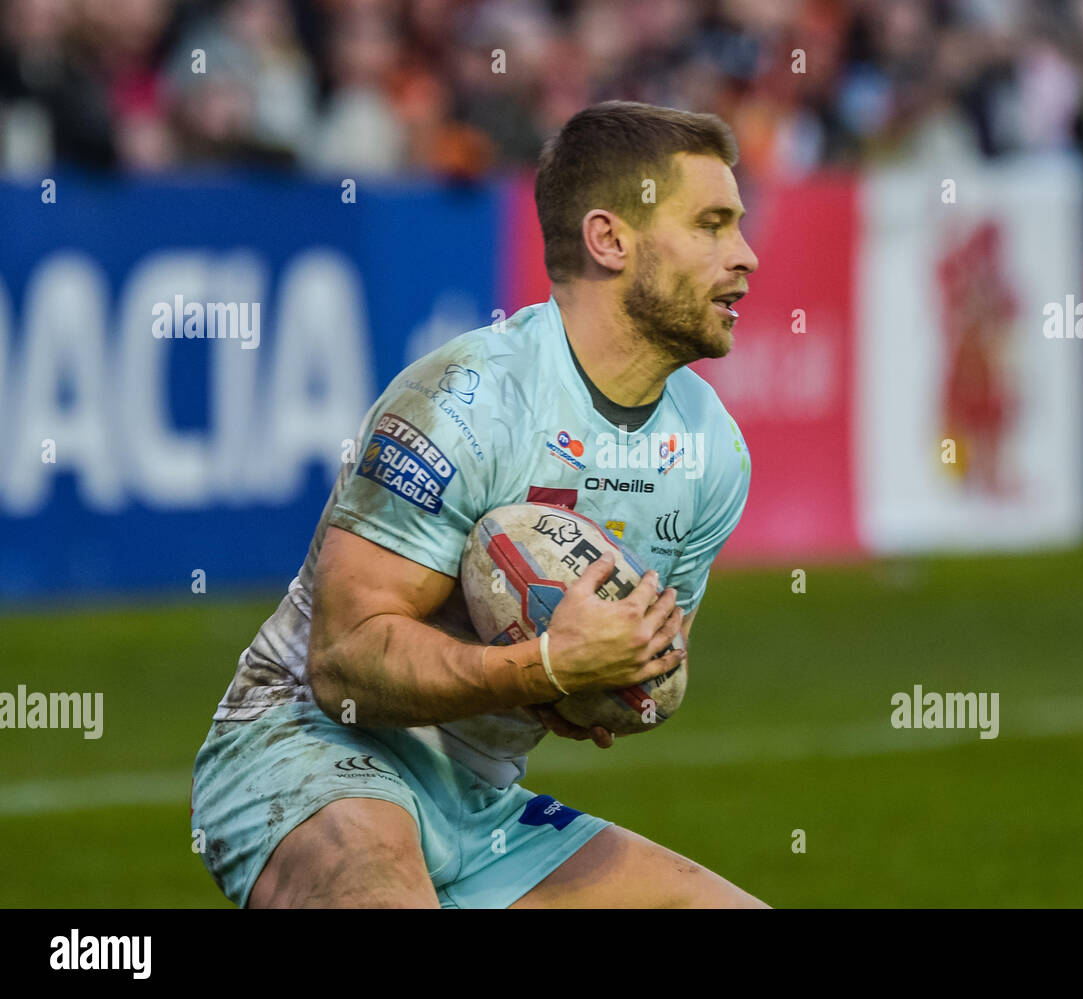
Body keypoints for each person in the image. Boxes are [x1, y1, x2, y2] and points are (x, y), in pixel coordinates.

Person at [190, 100, 764, 908]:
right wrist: (551, 665)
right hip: (304, 752)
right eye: (711, 225)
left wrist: (616, 677)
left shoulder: (713, 450)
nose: (746, 256)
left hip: (479, 802)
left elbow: (644, 686)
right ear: (609, 240)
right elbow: (342, 663)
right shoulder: (468, 398)